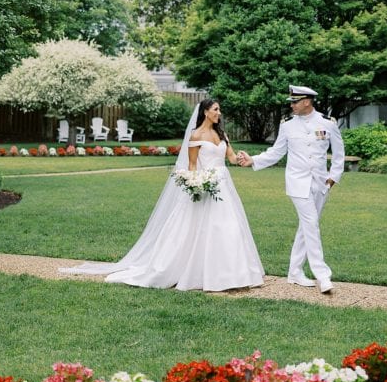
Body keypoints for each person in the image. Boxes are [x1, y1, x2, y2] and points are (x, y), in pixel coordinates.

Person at [60, 99, 264, 291]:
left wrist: (244, 157)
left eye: (219, 110)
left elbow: (231, 158)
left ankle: (231, 274)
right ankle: (195, 272)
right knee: (200, 228)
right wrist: (195, 184)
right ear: (205, 112)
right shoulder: (195, 136)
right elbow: (192, 164)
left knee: (228, 226)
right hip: (205, 184)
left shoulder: (222, 135)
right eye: (215, 109)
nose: (219, 113)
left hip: (224, 185)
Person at [238, 85, 344, 294]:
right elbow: (276, 152)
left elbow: (339, 153)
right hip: (297, 183)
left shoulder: (327, 123)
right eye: (291, 102)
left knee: (306, 227)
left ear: (307, 102)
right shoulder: (287, 125)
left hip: (321, 184)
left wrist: (333, 178)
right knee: (311, 224)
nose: (292, 105)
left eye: (295, 102)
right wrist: (253, 160)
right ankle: (322, 275)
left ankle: (295, 271)